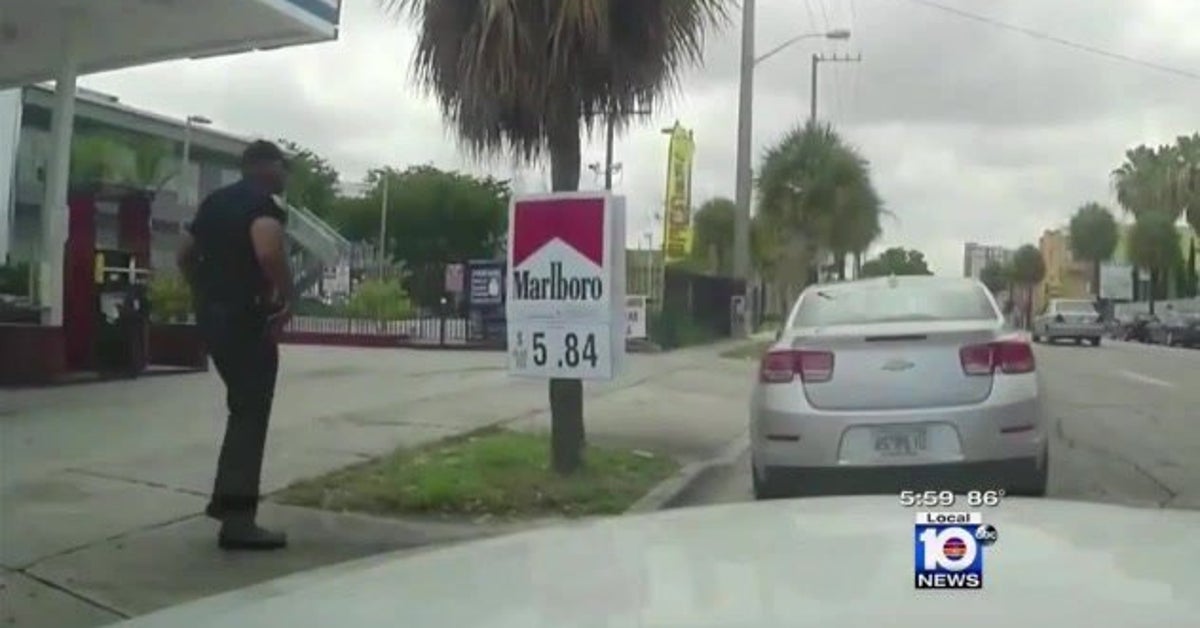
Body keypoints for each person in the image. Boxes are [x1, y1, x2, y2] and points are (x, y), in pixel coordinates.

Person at [176, 140, 293, 550]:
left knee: (241, 407)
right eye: (283, 167)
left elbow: (184, 254)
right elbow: (267, 250)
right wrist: (287, 294)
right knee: (251, 413)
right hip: (246, 318)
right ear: (268, 166)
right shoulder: (262, 204)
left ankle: (227, 503)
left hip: (213, 318)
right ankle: (238, 519)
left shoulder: (215, 202)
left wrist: (204, 291)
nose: (285, 176)